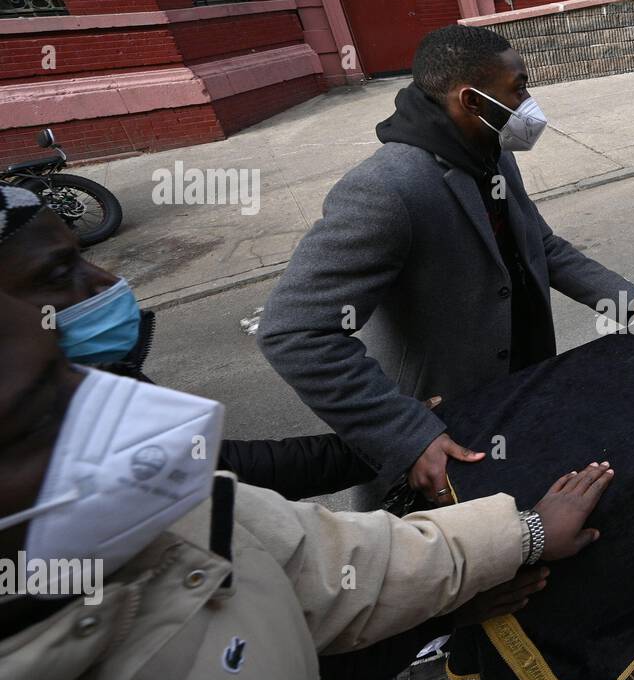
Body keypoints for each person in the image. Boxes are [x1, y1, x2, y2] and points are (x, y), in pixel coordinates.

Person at [0, 289, 616, 680]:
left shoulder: (175, 505)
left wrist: (524, 533)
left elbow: (343, 566)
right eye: (37, 412)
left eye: (70, 379)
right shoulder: (394, 187)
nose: (119, 418)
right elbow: (294, 331)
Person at [258, 24, 634, 511]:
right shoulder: (386, 189)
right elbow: (292, 333)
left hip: (519, 394)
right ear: (472, 100)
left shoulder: (493, 154)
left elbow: (539, 245)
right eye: (519, 87)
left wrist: (629, 302)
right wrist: (408, 432)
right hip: (445, 433)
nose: (529, 101)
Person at [0, 185, 373, 502]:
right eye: (59, 274)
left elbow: (211, 467)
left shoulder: (88, 379)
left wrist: (393, 441)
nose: (107, 281)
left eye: (84, 258)